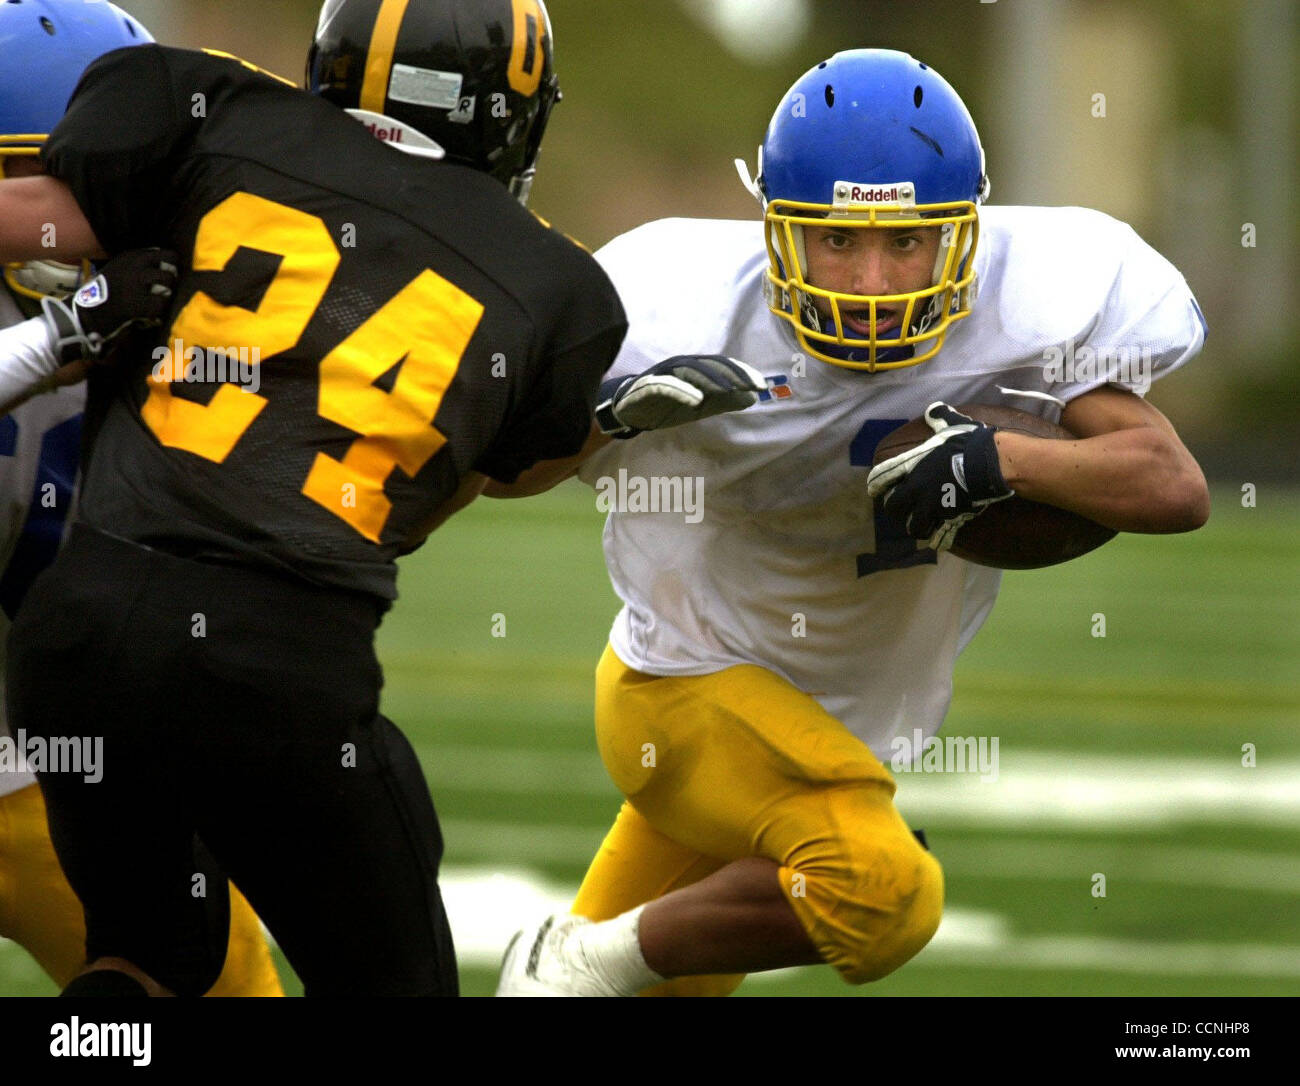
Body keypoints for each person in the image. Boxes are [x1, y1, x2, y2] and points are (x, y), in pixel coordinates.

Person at [0, 0, 766, 998]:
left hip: (74, 640)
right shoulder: (551, 287)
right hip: (270, 668)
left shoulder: (213, 116)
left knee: (145, 959)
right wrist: (603, 422)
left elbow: (41, 217)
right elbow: (474, 479)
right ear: (509, 112)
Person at [490, 48, 1210, 996]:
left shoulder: (1027, 302)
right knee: (882, 892)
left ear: (963, 237)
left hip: (813, 740)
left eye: (906, 242)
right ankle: (576, 960)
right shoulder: (679, 302)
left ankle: (578, 968)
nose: (872, 280)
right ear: (777, 233)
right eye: (836, 240)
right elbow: (499, 475)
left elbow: (1173, 486)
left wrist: (1000, 457)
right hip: (685, 692)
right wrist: (607, 418)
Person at [0, 0, 282, 998]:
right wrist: (56, 337)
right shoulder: (72, 313)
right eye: (77, 177)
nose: (117, 208)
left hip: (49, 767)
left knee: (222, 983)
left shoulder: (165, 299)